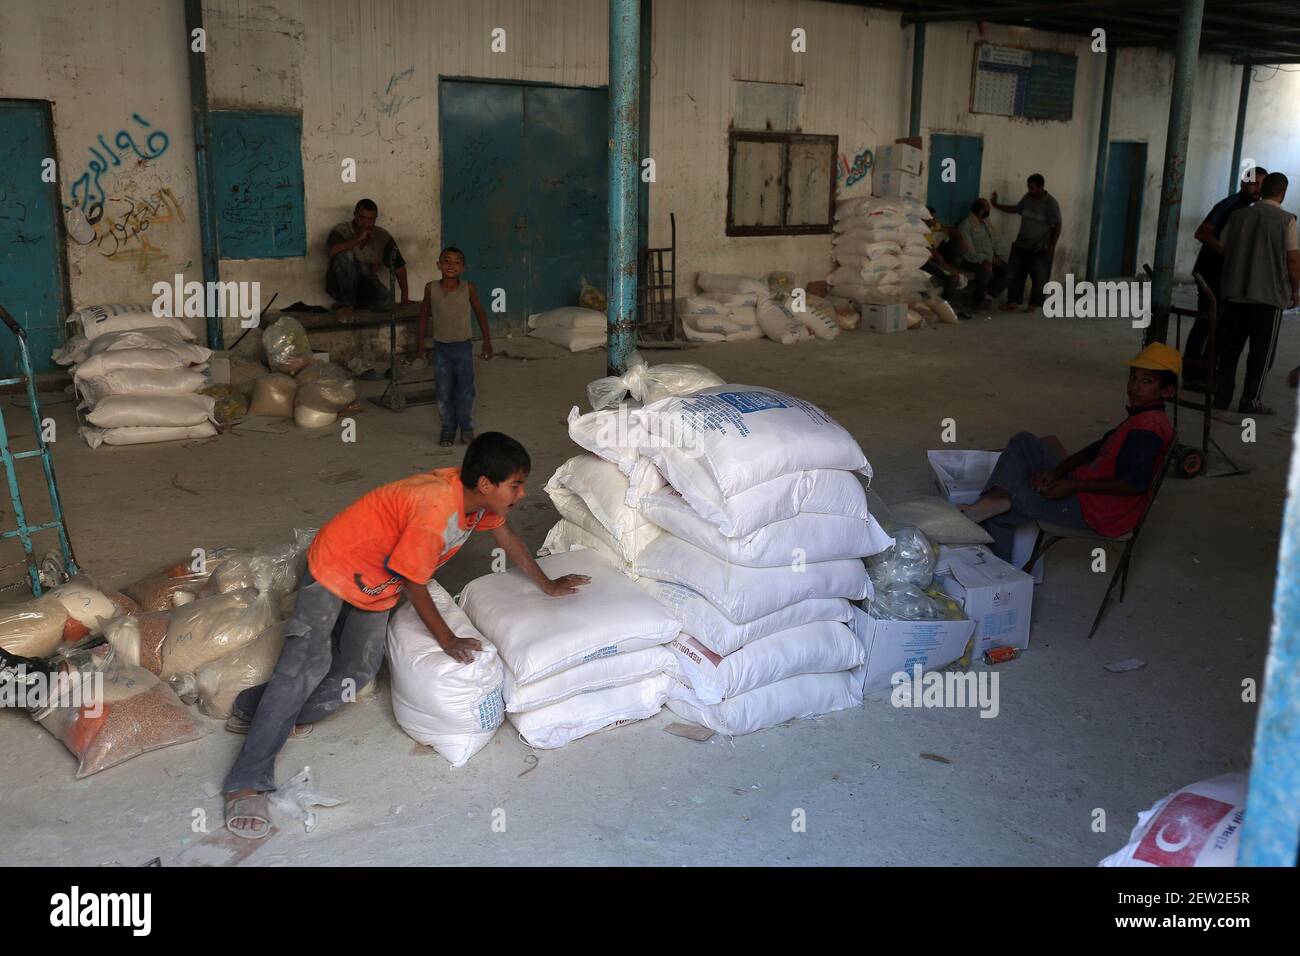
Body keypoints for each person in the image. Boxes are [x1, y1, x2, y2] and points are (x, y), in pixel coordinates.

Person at [222, 433, 589, 839]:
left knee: (356, 674)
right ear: (486, 484)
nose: (522, 494)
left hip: (376, 583)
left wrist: (548, 584)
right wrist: (448, 641)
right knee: (305, 667)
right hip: (335, 566)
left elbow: (510, 541)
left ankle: (254, 708)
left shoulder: (478, 504)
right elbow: (416, 583)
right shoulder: (436, 508)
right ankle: (247, 780)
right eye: (516, 485)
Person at [958, 343, 1179, 565]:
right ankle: (997, 497)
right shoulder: (1143, 415)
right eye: (1133, 377)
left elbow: (1134, 484)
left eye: (1147, 381)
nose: (1134, 387)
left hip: (1096, 511)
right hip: (1086, 486)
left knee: (1003, 511)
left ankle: (998, 578)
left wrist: (1073, 487)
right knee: (1024, 441)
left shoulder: (1147, 429)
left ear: (1167, 391)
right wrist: (1056, 472)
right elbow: (1094, 449)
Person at [1214, 171, 1300, 415]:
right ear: (1283, 193)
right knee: (1261, 352)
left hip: (1236, 292)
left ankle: (1221, 398)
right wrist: (1296, 290)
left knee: (1230, 350)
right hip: (1268, 297)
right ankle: (1250, 400)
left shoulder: (1238, 215)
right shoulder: (1286, 220)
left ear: (1262, 190)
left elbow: (1223, 245)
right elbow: (1293, 259)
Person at [1184, 167, 1267, 390]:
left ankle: (1203, 374)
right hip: (1210, 274)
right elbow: (1202, 233)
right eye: (1253, 183)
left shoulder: (1250, 209)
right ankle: (1192, 376)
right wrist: (1226, 252)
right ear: (1243, 183)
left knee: (1218, 325)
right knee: (1206, 324)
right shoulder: (1229, 205)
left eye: (1262, 184)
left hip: (1225, 276)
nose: (1257, 188)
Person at [416, 247, 494, 447]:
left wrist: (487, 341)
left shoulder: (468, 288)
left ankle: (466, 428)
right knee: (443, 391)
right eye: (447, 261)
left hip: (463, 348)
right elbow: (423, 315)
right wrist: (420, 344)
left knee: (466, 390)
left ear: (463, 268)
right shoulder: (430, 288)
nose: (451, 265)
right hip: (441, 348)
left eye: (457, 262)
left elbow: (480, 312)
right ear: (438, 265)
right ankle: (448, 429)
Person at [325, 198, 410, 314]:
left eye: (371, 219)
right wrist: (358, 239)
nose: (366, 223)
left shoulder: (382, 236)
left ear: (375, 219)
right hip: (338, 286)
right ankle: (347, 304)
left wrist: (405, 297)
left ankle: (356, 304)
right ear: (355, 215)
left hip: (366, 286)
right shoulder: (341, 230)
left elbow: (399, 267)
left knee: (387, 302)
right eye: (362, 218)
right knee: (346, 255)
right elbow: (332, 251)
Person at [991, 174, 1062, 312]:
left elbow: (1058, 225)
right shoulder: (1027, 198)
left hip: (1040, 248)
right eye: (1028, 187)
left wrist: (1052, 246)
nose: (1030, 190)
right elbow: (1016, 209)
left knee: (1039, 278)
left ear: (1041, 187)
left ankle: (1033, 304)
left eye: (1032, 188)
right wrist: (996, 205)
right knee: (1015, 274)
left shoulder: (1051, 204)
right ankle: (1013, 301)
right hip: (1021, 245)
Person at [957, 198, 1009, 307]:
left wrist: (996, 255)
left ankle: (989, 296)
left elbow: (993, 240)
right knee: (985, 273)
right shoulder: (966, 225)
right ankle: (977, 302)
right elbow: (969, 251)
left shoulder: (986, 222)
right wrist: (983, 260)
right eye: (988, 207)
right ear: (981, 210)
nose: (989, 209)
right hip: (970, 260)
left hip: (989, 258)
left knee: (1008, 271)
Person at [921, 206, 966, 302]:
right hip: (923, 264)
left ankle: (943, 303)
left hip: (931, 261)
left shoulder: (931, 225)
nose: (934, 220)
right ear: (923, 218)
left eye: (934, 217)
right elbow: (934, 253)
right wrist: (948, 269)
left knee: (954, 278)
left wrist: (961, 239)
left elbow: (950, 230)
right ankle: (942, 303)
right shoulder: (921, 231)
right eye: (931, 218)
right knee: (952, 278)